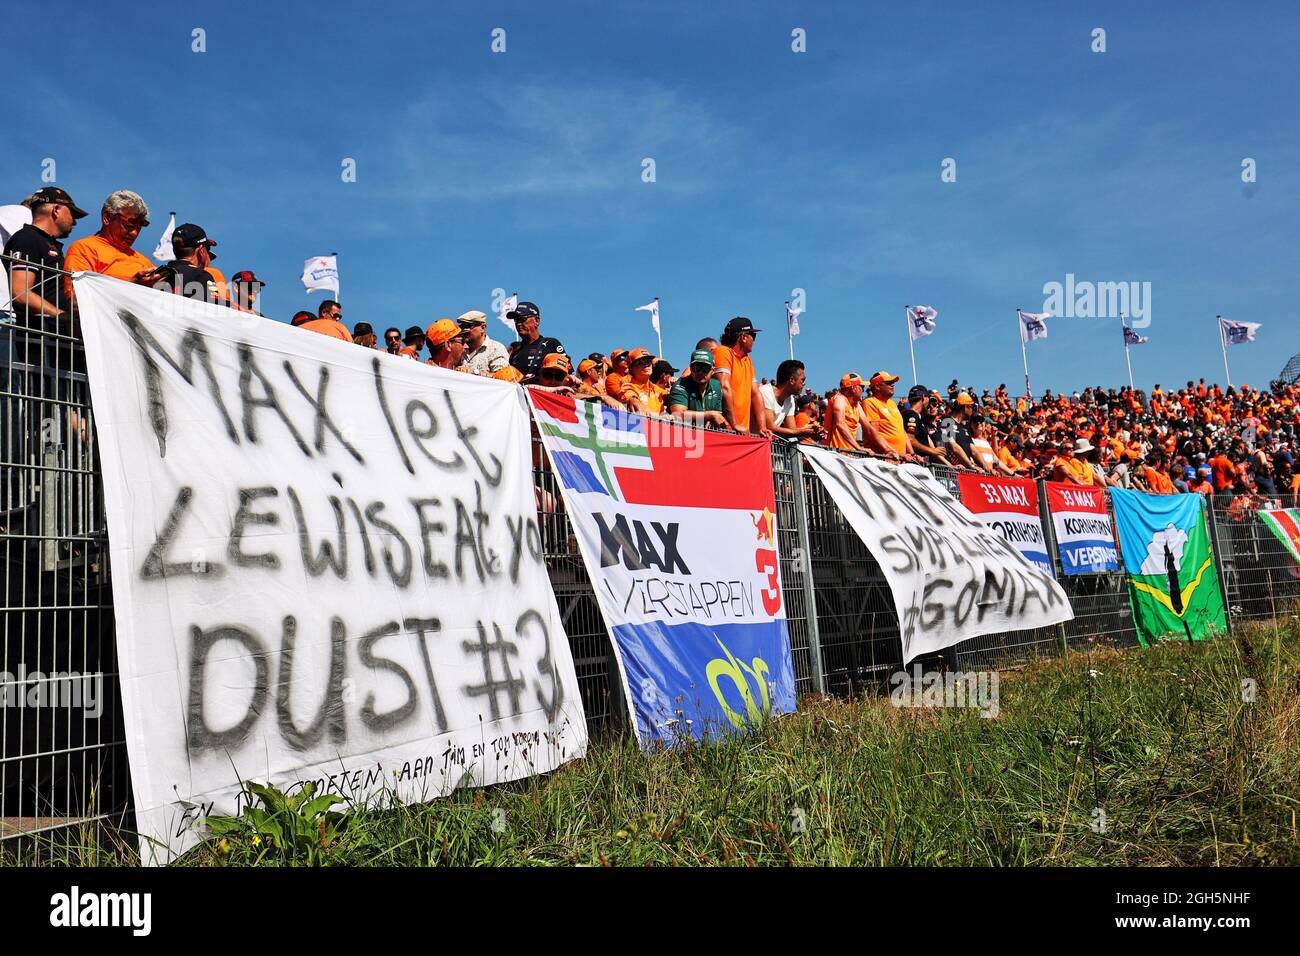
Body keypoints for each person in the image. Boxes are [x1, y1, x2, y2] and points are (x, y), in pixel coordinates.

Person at [2, 187, 87, 327]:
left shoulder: (46, 243)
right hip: (40, 339)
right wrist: (62, 316)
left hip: (55, 338)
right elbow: (20, 293)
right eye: (72, 214)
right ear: (56, 210)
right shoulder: (28, 238)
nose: (75, 222)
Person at [64, 190, 155, 285]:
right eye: (130, 224)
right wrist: (133, 283)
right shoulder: (85, 249)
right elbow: (78, 295)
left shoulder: (146, 263)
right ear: (107, 217)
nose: (134, 233)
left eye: (140, 226)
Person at [713, 317, 770, 436]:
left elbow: (755, 394)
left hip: (741, 431)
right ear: (743, 337)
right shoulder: (723, 352)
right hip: (724, 429)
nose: (754, 340)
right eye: (753, 336)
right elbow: (724, 387)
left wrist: (762, 427)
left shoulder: (747, 360)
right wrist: (734, 424)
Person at [155, 223, 224, 303]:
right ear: (201, 251)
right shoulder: (200, 275)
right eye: (207, 249)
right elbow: (215, 309)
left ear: (174, 250)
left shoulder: (157, 274)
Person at [860, 371, 913, 460]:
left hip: (899, 460)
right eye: (889, 383)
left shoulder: (892, 403)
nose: (893, 385)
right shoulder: (869, 402)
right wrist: (892, 451)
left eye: (893, 383)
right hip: (883, 459)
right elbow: (873, 433)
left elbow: (902, 432)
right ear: (877, 386)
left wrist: (912, 454)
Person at [668, 348, 728, 427]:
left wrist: (713, 417)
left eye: (705, 368)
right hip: (684, 433)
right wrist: (710, 415)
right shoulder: (680, 385)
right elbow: (678, 415)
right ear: (690, 368)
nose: (700, 372)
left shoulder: (716, 386)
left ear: (713, 370)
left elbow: (718, 416)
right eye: (696, 368)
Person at [761, 359, 819, 440]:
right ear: (791, 380)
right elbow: (770, 428)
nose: (804, 384)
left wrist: (810, 429)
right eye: (802, 380)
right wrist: (805, 432)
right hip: (751, 444)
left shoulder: (790, 400)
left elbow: (792, 430)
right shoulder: (765, 392)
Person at [507, 300, 564, 380]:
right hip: (517, 391)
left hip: (541, 391)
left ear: (537, 320)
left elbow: (566, 374)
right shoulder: (513, 350)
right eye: (516, 320)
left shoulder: (550, 344)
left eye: (522, 319)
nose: (518, 323)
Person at [901, 386, 947, 463]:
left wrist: (949, 465)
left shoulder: (916, 417)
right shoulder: (911, 415)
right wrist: (932, 451)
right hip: (915, 465)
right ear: (923, 397)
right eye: (928, 397)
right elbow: (910, 439)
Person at [456, 310, 508, 375]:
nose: (464, 330)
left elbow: (501, 377)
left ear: (483, 327)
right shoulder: (458, 348)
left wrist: (474, 372)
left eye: (468, 326)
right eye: (462, 327)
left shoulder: (496, 349)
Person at [824, 373, 867, 452]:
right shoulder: (839, 399)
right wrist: (858, 447)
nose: (863, 391)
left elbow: (868, 428)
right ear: (853, 388)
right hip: (834, 454)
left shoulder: (856, 405)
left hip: (846, 453)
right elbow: (840, 424)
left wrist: (888, 449)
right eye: (862, 387)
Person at [617, 348, 664, 415]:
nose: (647, 364)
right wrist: (633, 399)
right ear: (631, 368)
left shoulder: (657, 389)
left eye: (649, 361)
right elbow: (627, 394)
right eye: (641, 362)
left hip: (657, 424)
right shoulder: (628, 386)